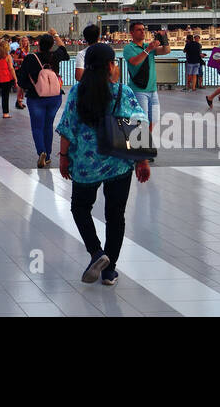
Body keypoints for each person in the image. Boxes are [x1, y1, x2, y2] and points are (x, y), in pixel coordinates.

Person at [57, 41, 150, 287]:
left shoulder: (77, 91)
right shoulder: (123, 92)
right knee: (115, 216)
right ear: (110, 65)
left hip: (85, 165)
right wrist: (142, 161)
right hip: (118, 164)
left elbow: (68, 127)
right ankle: (110, 271)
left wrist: (63, 158)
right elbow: (137, 125)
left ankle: (97, 253)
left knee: (80, 208)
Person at [18, 33, 67, 169]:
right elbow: (63, 49)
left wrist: (28, 88)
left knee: (37, 126)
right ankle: (49, 156)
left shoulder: (30, 58)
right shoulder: (55, 56)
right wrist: (56, 35)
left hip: (36, 97)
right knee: (48, 125)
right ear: (52, 45)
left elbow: (21, 79)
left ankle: (42, 152)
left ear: (38, 44)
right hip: (54, 97)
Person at [123, 22, 170, 131]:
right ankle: (142, 143)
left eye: (143, 29)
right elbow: (134, 62)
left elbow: (166, 51)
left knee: (154, 121)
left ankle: (145, 143)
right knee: (142, 121)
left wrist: (164, 38)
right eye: (139, 30)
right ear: (132, 33)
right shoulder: (129, 48)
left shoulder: (147, 46)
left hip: (153, 90)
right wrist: (148, 49)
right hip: (139, 90)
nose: (142, 32)